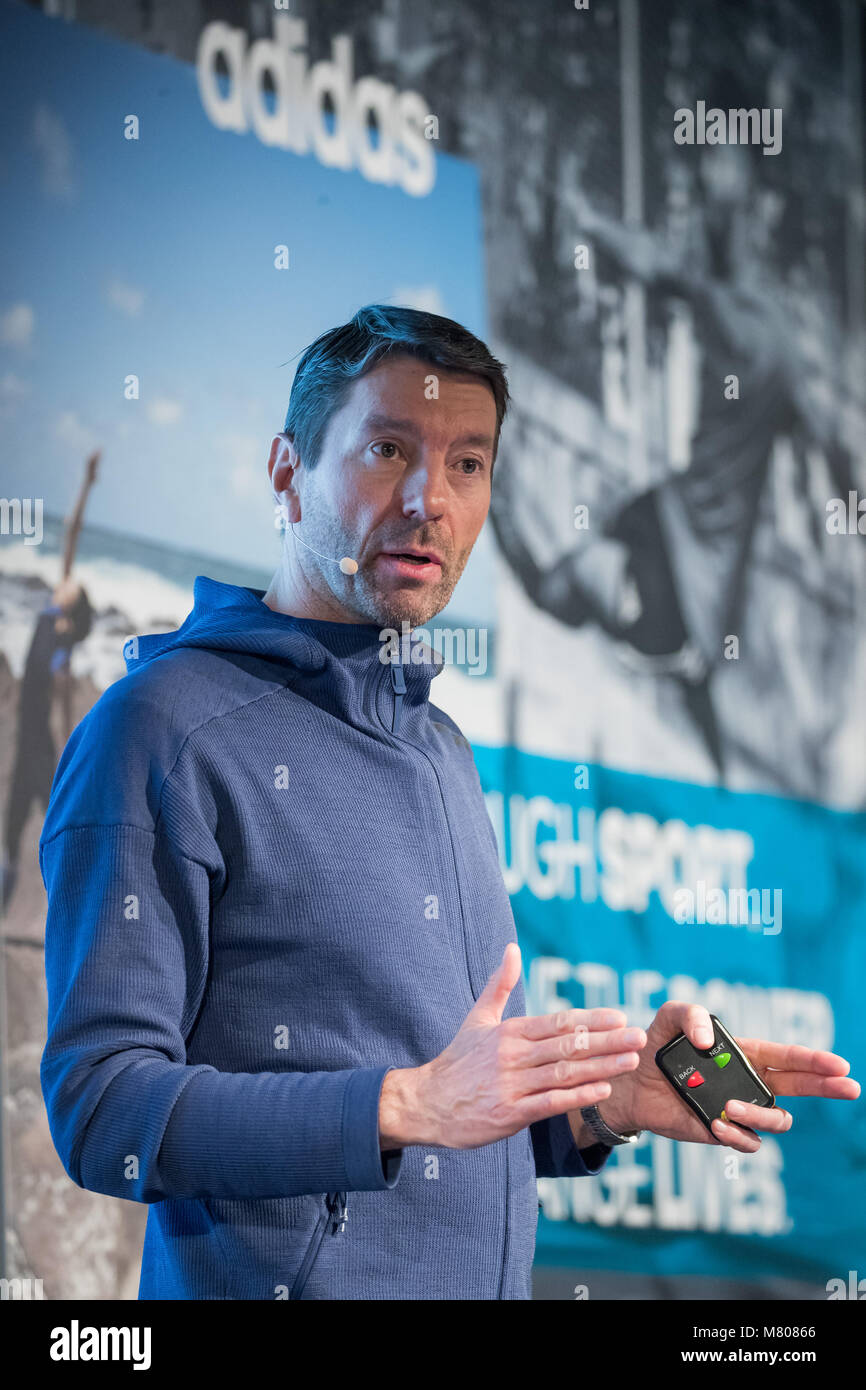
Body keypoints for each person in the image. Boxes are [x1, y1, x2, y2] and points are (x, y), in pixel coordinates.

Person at [38, 307, 858, 1300]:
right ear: (286, 472)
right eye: (389, 449)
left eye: (468, 464)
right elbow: (99, 1112)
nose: (430, 498)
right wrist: (402, 1103)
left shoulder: (440, 750)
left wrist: (599, 1106)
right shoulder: (158, 730)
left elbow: (445, 1114)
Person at [1, 451, 98, 913]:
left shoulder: (62, 650)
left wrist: (66, 757)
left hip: (39, 751)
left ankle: (81, 900)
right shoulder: (51, 616)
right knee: (11, 830)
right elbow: (70, 534)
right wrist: (86, 484)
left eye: (70, 589)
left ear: (71, 610)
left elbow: (62, 712)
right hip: (24, 743)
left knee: (50, 831)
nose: (63, 583)